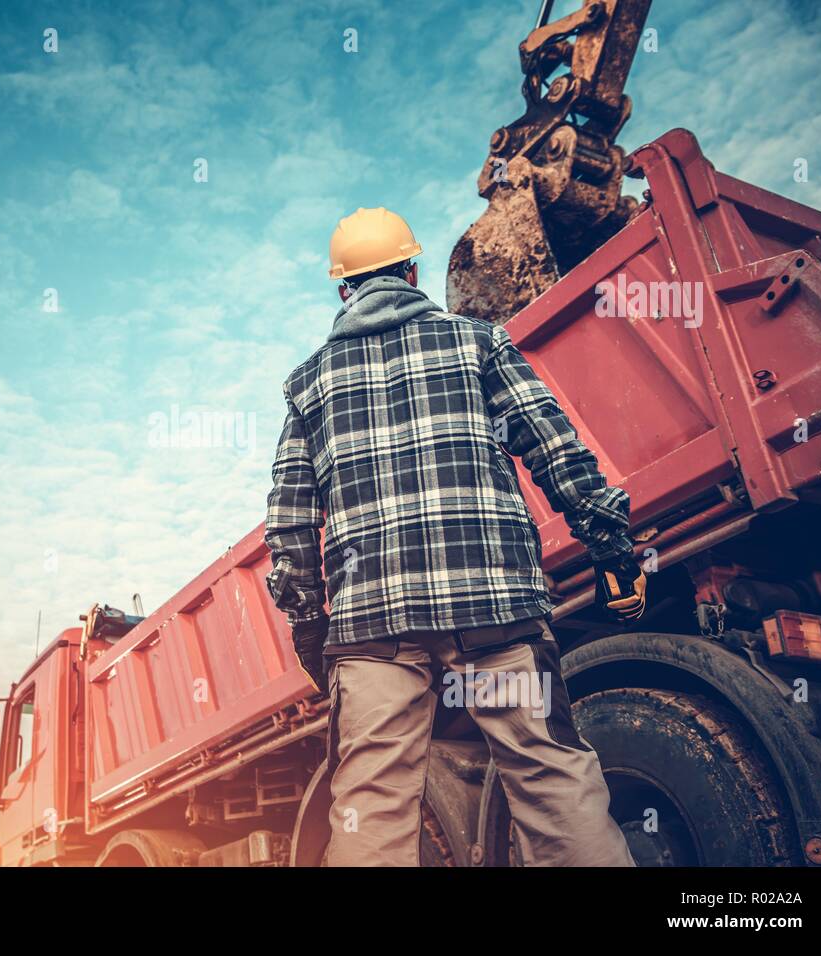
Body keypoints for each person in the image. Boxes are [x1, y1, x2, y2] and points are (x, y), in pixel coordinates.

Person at [264, 207, 645, 867]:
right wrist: (613, 552)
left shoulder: (308, 384)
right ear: (414, 270)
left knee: (369, 811)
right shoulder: (478, 342)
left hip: (371, 630)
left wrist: (307, 627)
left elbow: (290, 520)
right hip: (496, 611)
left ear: (342, 289)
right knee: (552, 782)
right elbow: (557, 452)